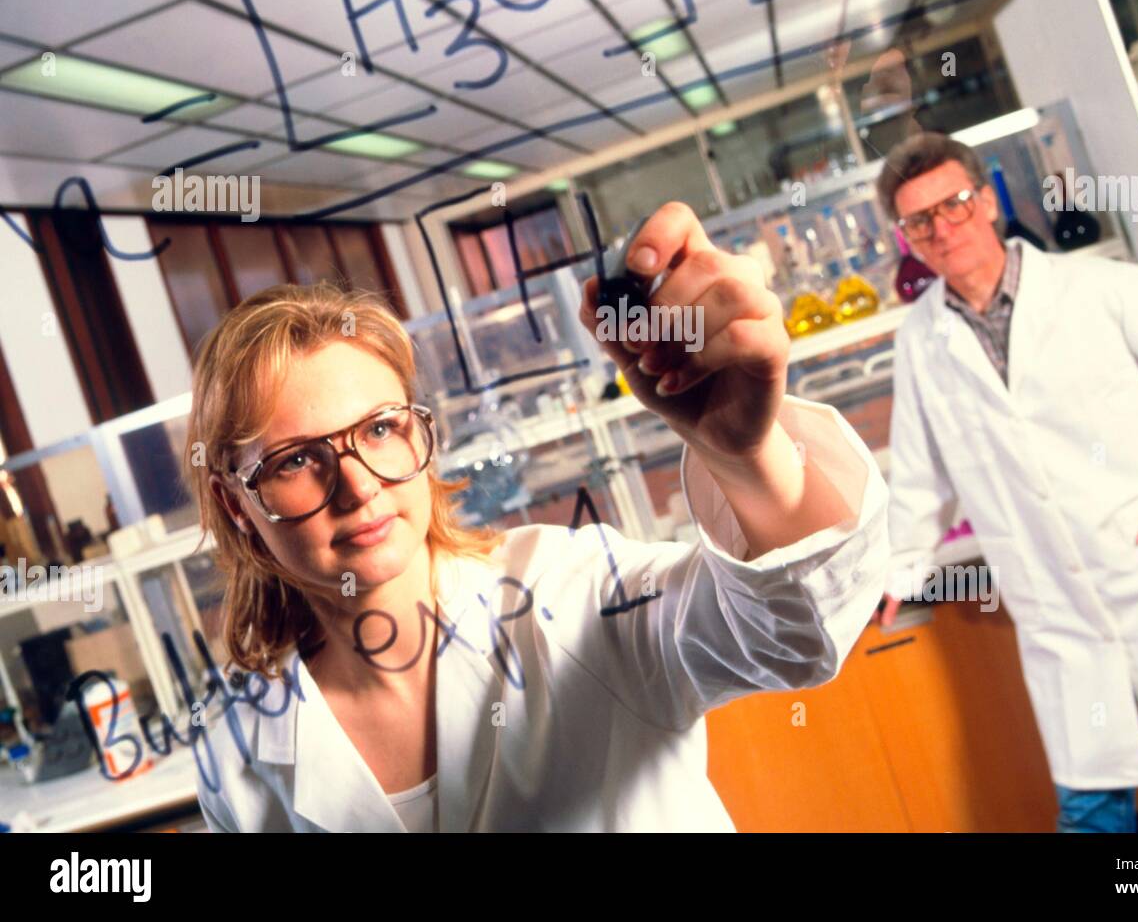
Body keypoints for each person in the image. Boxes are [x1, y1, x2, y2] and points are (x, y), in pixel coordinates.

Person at [189, 201, 889, 832]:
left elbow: (795, 634)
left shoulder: (572, 591)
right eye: (293, 461)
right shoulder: (241, 761)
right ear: (235, 505)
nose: (358, 487)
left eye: (378, 429)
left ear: (416, 433)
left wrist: (746, 454)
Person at [876, 131, 1138, 833]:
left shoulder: (1099, 287)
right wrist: (899, 567)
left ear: (985, 202)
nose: (941, 229)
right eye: (920, 220)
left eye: (953, 204)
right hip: (1058, 610)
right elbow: (921, 470)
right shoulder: (919, 338)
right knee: (1090, 811)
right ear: (907, 239)